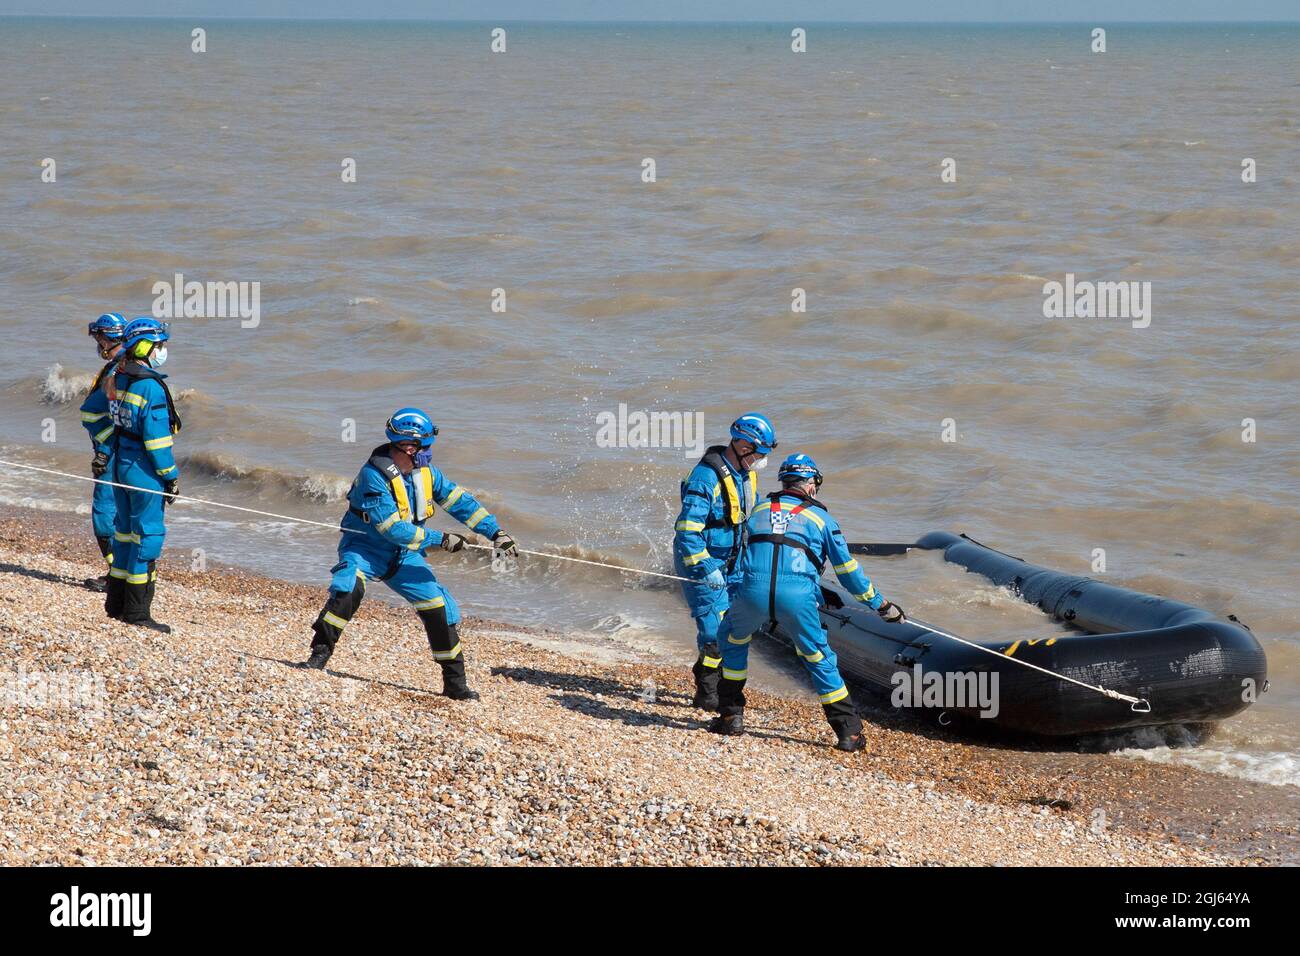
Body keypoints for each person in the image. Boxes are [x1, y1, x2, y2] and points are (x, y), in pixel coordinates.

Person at [303, 408, 518, 701]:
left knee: (438, 606)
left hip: (405, 556)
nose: (428, 453)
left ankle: (455, 685)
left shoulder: (427, 474)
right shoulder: (373, 477)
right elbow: (392, 529)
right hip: (366, 549)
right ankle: (318, 656)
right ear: (408, 446)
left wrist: (496, 533)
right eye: (425, 446)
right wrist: (440, 539)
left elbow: (460, 502)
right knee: (349, 586)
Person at [708, 453, 906, 752]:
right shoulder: (823, 519)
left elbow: (745, 555)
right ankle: (848, 732)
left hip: (752, 592)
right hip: (798, 597)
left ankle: (730, 716)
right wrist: (881, 605)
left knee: (732, 640)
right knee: (818, 658)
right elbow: (849, 573)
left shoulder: (760, 509)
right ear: (812, 484)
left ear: (785, 481)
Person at [673, 412, 777, 711]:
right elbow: (686, 531)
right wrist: (706, 568)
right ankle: (707, 689)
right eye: (760, 453)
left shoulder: (746, 473)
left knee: (733, 626)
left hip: (735, 561)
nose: (762, 460)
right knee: (713, 629)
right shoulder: (706, 478)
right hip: (702, 561)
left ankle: (717, 681)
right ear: (744, 447)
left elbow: (750, 517)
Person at [104, 317, 181, 632]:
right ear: (148, 347)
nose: (163, 350)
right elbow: (158, 441)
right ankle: (137, 613)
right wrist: (171, 476)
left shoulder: (119, 377)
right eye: (161, 345)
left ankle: (116, 604)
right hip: (143, 471)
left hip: (121, 467)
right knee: (147, 537)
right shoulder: (150, 385)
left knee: (123, 534)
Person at [78, 312, 127, 591]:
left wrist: (104, 451)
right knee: (127, 513)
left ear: (106, 338)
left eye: (98, 338)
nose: (97, 344)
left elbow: (96, 414)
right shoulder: (128, 367)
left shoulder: (115, 372)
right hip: (127, 454)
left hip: (110, 454)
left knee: (104, 513)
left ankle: (115, 575)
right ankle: (125, 573)